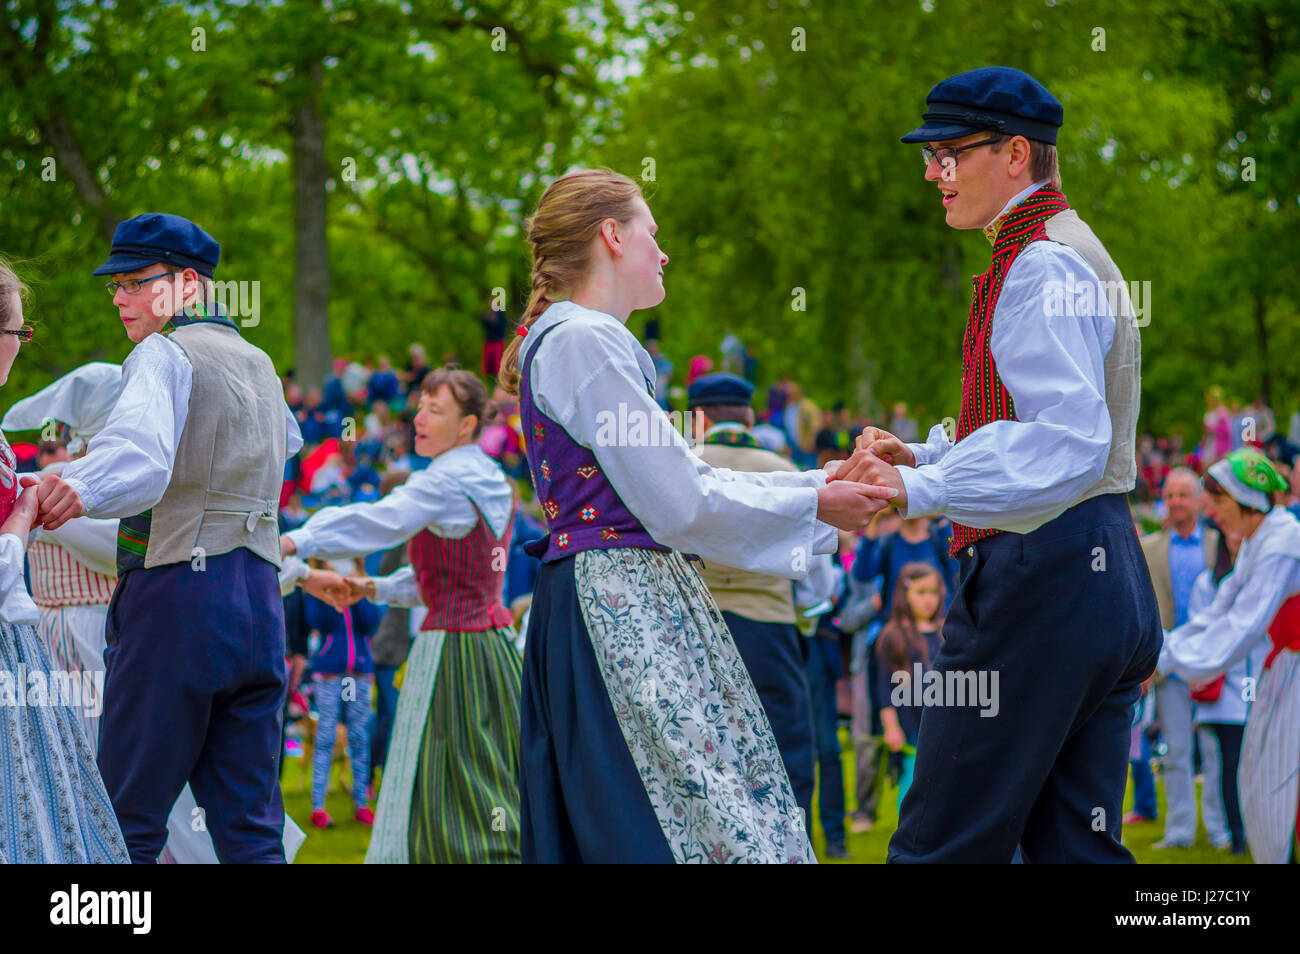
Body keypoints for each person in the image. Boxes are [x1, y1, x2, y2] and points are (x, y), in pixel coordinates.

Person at [497, 168, 894, 863]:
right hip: (616, 602)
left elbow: (685, 479)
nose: (664, 251)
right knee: (670, 818)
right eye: (653, 231)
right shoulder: (584, 342)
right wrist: (816, 499)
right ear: (612, 236)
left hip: (627, 594)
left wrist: (817, 485)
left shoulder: (588, 342)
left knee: (688, 808)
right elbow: (680, 499)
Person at [839, 67, 1162, 862]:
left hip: (1041, 576)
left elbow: (1065, 439)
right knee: (1074, 849)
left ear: (1016, 153)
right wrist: (917, 452)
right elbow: (1035, 425)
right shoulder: (1054, 248)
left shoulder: (1042, 263)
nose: (931, 171)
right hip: (1102, 574)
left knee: (939, 847)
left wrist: (920, 485)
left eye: (949, 153)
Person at [33, 215, 304, 863]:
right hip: (260, 605)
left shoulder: (160, 353)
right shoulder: (261, 364)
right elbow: (286, 446)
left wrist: (71, 485)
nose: (121, 298)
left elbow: (140, 459)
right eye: (116, 286)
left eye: (134, 282)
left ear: (187, 283)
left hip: (176, 599)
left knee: (126, 820)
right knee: (250, 828)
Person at [282, 368, 522, 864]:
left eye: (436, 410)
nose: (419, 418)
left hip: (452, 650)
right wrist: (375, 586)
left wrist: (299, 539)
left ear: (467, 425)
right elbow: (449, 579)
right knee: (490, 780)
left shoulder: (446, 480)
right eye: (420, 406)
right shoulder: (492, 479)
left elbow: (378, 520)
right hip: (494, 648)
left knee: (432, 780)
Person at [0, 259, 129, 862]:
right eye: (18, 334)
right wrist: (31, 510)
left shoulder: (83, 481)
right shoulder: (64, 479)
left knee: (81, 758)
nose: (21, 346)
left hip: (81, 627)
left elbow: (115, 550)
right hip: (47, 625)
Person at [687, 372, 818, 842]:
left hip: (694, 626)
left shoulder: (683, 464)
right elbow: (817, 574)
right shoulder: (782, 469)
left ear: (699, 418)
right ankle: (788, 842)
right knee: (786, 743)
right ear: (747, 415)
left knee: (701, 744)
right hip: (769, 626)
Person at [1158, 448, 1300, 864]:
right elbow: (1220, 610)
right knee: (1259, 780)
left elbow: (1243, 625)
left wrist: (1164, 661)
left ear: (1247, 500)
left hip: (1293, 673)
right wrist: (1162, 651)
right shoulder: (1261, 540)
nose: (1211, 512)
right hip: (1285, 672)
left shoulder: (1281, 541)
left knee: (1276, 781)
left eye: (1218, 502)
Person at [1138, 467, 1219, 848]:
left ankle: (1222, 829)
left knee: (1215, 749)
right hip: (1170, 661)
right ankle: (1180, 831)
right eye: (1169, 496)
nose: (1175, 502)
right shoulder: (1152, 547)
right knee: (1176, 750)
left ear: (1200, 500)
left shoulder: (1220, 544)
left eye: (1183, 495)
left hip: (1214, 660)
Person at [1185, 528, 1262, 854]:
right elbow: (1202, 628)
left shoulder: (1264, 578)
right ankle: (1236, 835)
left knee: (1258, 765)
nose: (1237, 536)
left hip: (1257, 683)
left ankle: (1263, 831)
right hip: (1225, 690)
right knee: (1229, 764)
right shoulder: (1208, 583)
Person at [303, 561, 378, 829]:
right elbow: (316, 621)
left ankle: (361, 803)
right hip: (329, 673)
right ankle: (318, 807)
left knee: (358, 737)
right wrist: (330, 590)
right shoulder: (316, 586)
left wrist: (356, 592)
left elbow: (370, 623)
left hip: (358, 671)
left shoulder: (364, 583)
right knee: (325, 738)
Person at [875, 563, 946, 812]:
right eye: (921, 592)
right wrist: (891, 727)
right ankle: (910, 838)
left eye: (933, 592)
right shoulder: (892, 637)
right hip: (911, 726)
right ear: (905, 594)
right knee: (913, 785)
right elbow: (884, 688)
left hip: (942, 722)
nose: (929, 600)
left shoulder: (947, 632)